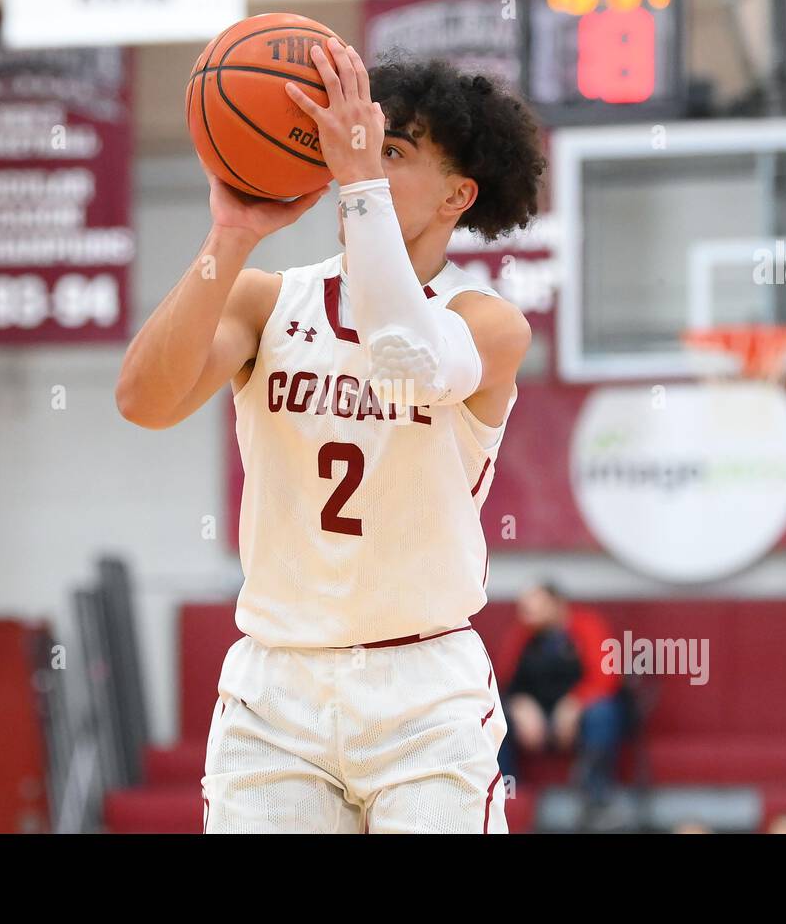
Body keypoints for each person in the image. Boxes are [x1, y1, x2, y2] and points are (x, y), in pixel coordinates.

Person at [116, 42, 545, 832]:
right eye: (363, 142)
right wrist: (232, 235)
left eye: (393, 150)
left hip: (423, 691)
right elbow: (142, 400)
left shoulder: (485, 325)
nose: (365, 158)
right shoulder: (265, 302)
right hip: (275, 691)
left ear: (458, 194)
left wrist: (356, 182)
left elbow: (403, 353)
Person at [495, 582, 627, 804]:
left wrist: (576, 703)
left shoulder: (586, 626)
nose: (527, 614)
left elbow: (607, 679)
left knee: (603, 713)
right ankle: (508, 799)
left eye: (535, 606)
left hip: (580, 718)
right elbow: (504, 682)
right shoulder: (522, 634)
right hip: (537, 720)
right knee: (497, 718)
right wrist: (518, 704)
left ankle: (596, 799)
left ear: (556, 604)